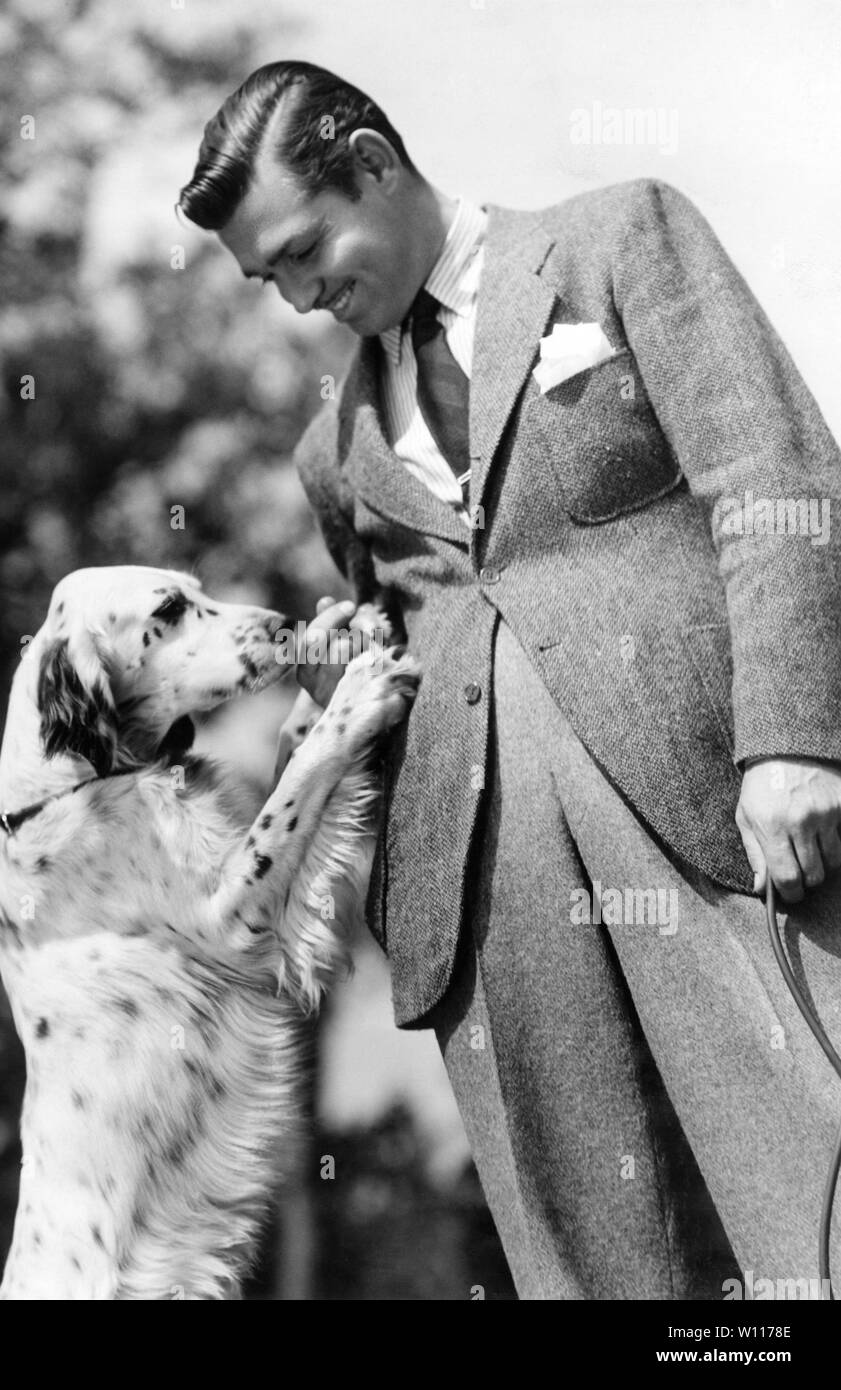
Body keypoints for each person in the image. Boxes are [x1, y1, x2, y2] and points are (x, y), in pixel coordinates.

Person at [179, 60, 841, 1299]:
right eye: (270, 280)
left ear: (371, 162)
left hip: (722, 836)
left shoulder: (615, 238)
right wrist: (339, 679)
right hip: (496, 932)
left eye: (303, 250)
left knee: (814, 1202)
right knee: (604, 1278)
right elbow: (393, 661)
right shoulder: (332, 453)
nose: (302, 297)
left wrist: (794, 740)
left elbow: (775, 481)